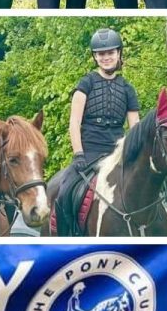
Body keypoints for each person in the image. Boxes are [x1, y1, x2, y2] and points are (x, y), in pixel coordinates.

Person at [55, 28, 141, 235]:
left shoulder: (128, 89)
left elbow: (135, 128)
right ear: (95, 56)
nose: (106, 57)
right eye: (101, 54)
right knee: (64, 191)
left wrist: (135, 156)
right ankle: (68, 235)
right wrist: (78, 154)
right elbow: (74, 122)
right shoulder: (86, 84)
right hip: (90, 150)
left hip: (117, 153)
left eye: (110, 52)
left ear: (119, 53)